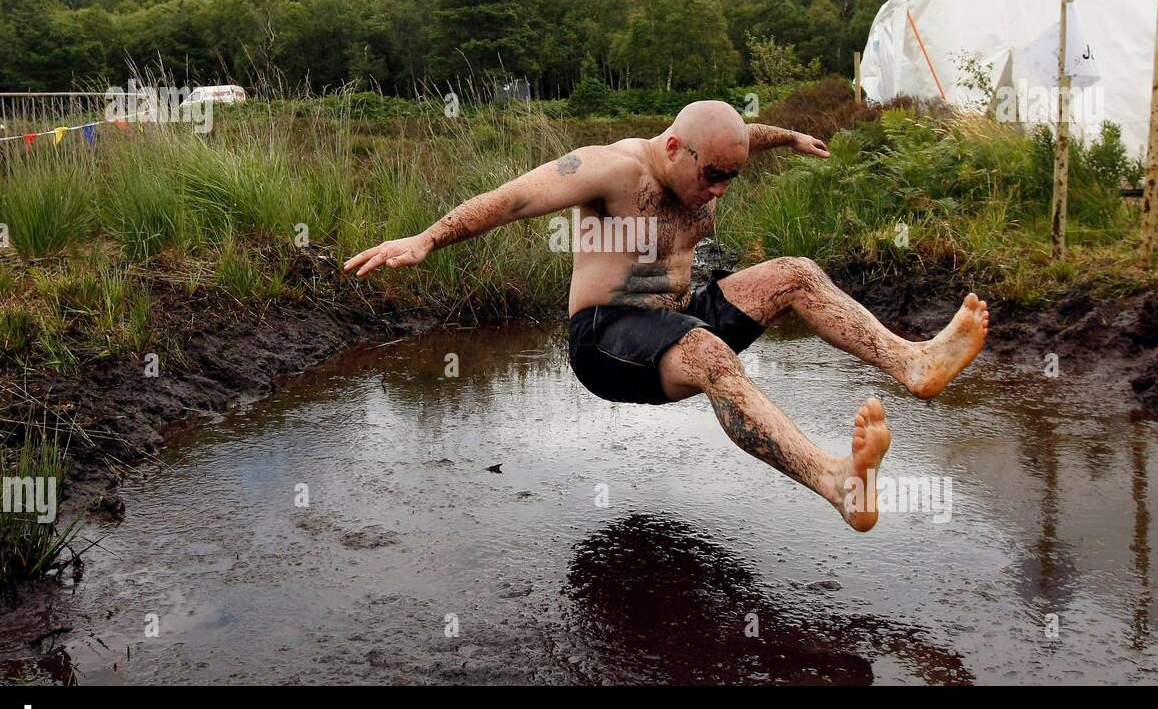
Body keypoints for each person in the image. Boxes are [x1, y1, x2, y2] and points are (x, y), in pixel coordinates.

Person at [345, 100, 988, 531]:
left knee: (793, 272)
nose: (718, 191)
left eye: (729, 178)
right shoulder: (610, 170)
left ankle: (914, 361)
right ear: (674, 148)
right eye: (711, 176)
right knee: (712, 354)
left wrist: (786, 137)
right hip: (607, 338)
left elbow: (741, 141)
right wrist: (426, 239)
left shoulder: (707, 155)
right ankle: (835, 481)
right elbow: (513, 199)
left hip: (679, 316)